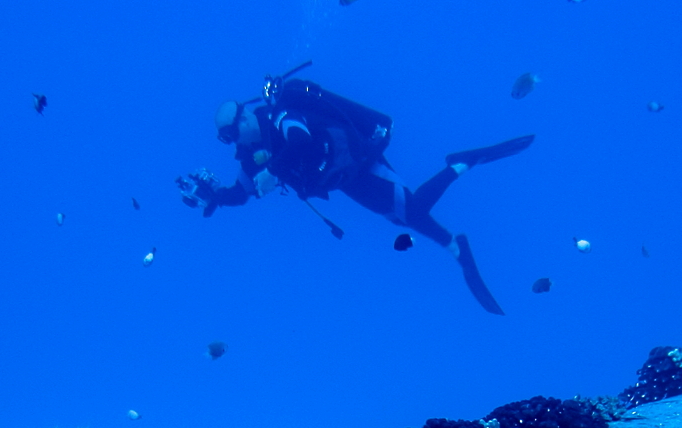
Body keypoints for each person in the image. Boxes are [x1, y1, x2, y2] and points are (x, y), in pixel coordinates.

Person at [177, 71, 533, 315]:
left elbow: (300, 141)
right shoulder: (255, 155)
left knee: (412, 208)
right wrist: (216, 198)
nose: (233, 142)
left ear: (243, 119)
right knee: (401, 215)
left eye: (231, 134)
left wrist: (272, 171)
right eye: (226, 140)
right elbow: (241, 191)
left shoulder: (279, 116)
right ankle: (456, 245)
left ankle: (462, 169)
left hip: (358, 160)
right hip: (345, 179)